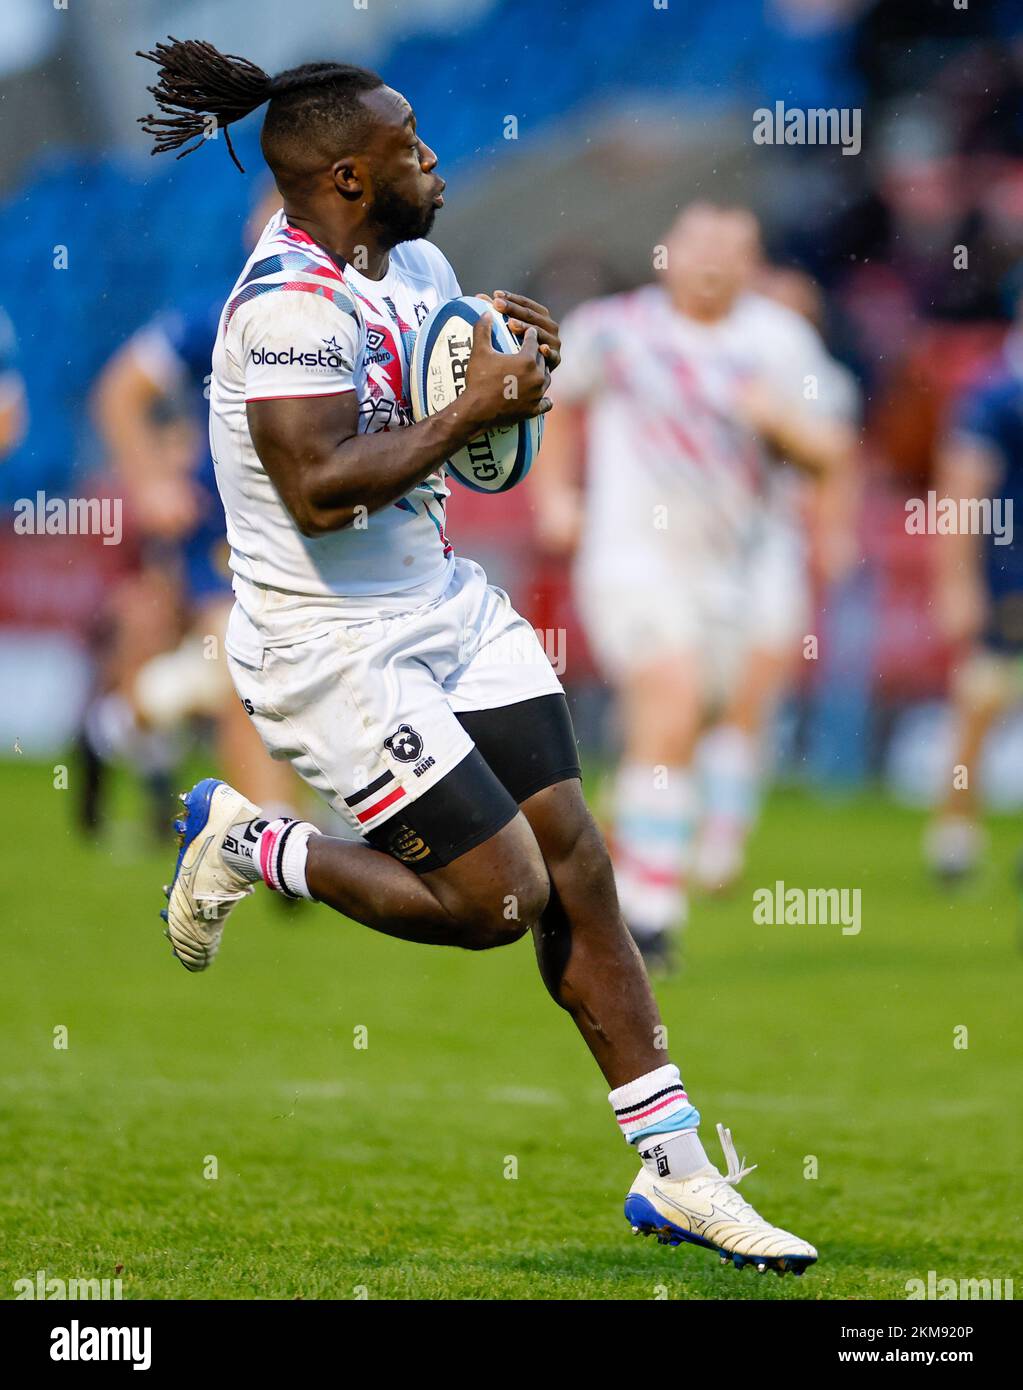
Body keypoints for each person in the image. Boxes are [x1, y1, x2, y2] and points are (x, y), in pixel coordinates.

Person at [137, 37, 817, 1272]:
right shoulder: (287, 304)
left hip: (444, 605)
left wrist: (517, 388)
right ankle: (252, 842)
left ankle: (678, 1175)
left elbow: (473, 456)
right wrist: (471, 407)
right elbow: (318, 487)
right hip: (329, 645)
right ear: (347, 177)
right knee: (499, 899)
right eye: (409, 145)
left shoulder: (423, 265)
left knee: (581, 865)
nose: (433, 157)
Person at [536, 204, 855, 968]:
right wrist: (554, 493)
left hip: (731, 575)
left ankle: (624, 854)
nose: (711, 260)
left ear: (753, 264)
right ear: (663, 251)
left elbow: (831, 449)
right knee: (671, 700)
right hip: (631, 559)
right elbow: (546, 401)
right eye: (698, 244)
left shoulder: (777, 342)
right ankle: (647, 916)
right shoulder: (613, 329)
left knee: (696, 724)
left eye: (731, 249)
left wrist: (779, 424)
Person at [83, 183, 300, 832]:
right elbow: (120, 390)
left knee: (265, 671)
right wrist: (150, 480)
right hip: (223, 527)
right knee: (243, 661)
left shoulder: (355, 323)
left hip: (311, 532)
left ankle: (116, 725)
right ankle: (277, 829)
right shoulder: (216, 320)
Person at [926, 296, 1023, 878]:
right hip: (1008, 573)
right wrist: (956, 580)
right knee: (984, 698)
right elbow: (962, 491)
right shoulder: (996, 394)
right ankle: (956, 832)